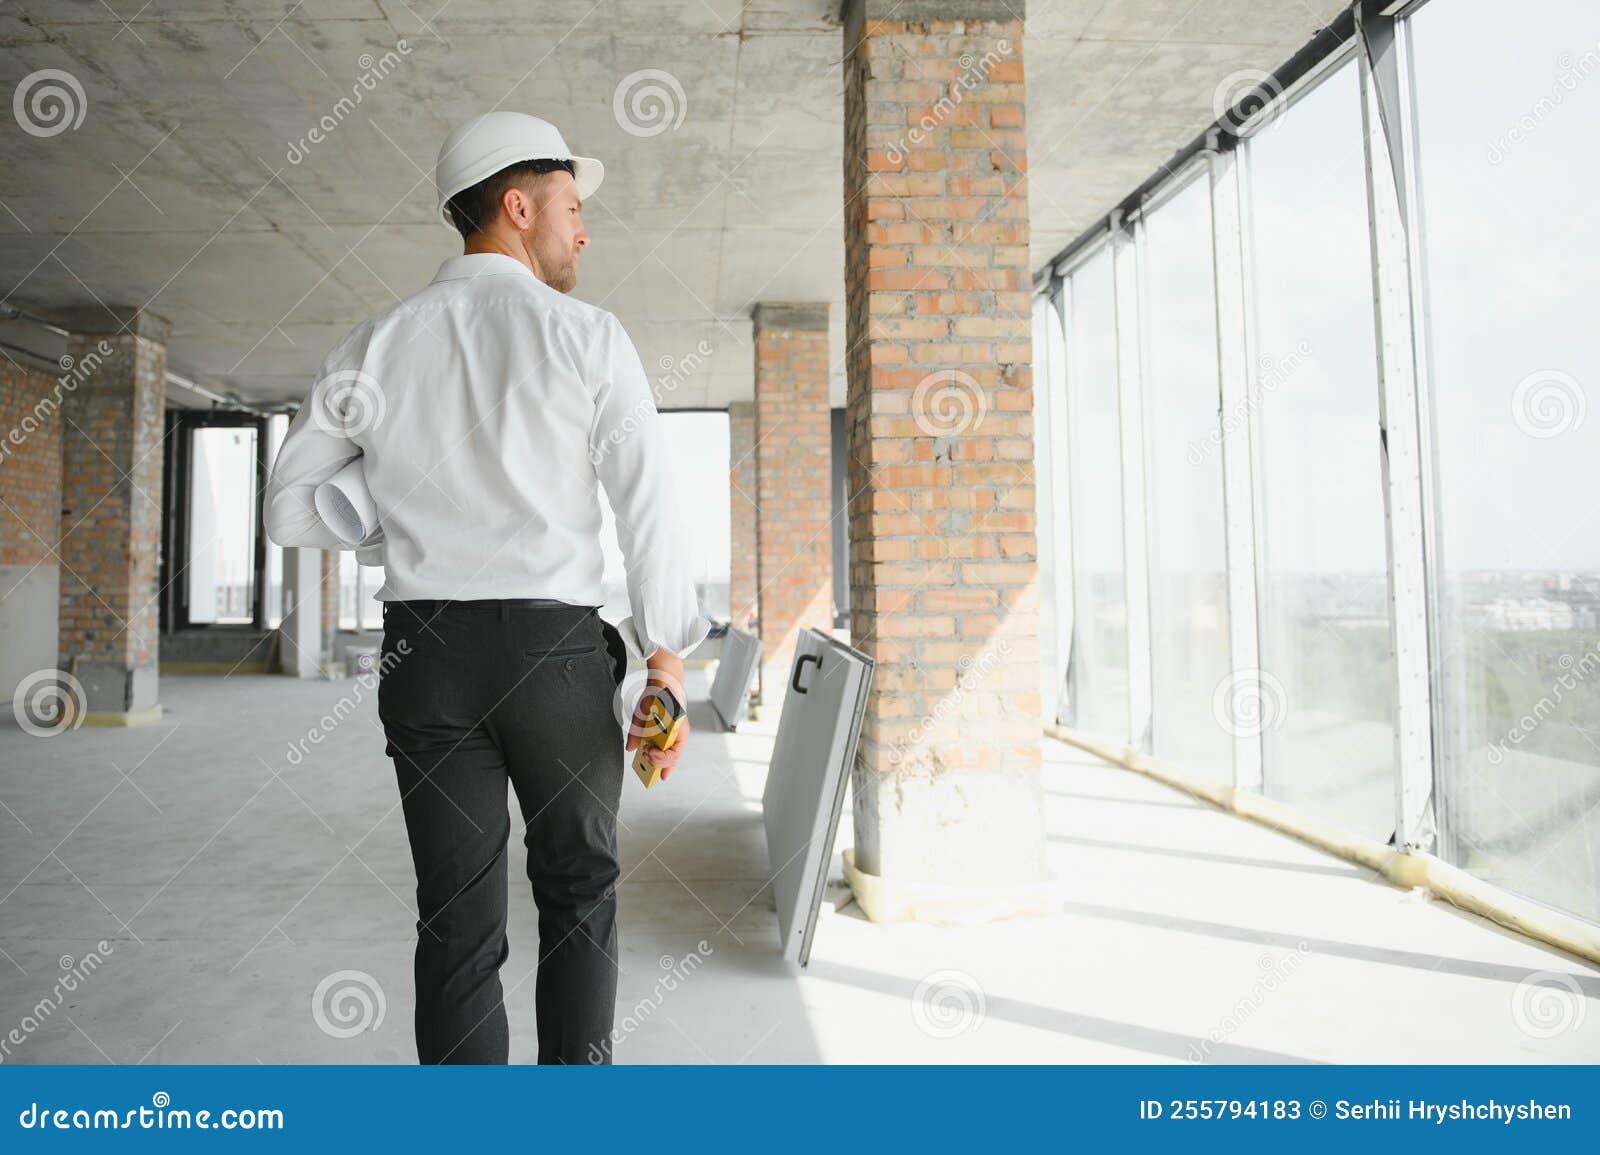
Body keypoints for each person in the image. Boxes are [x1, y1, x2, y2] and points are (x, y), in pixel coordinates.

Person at [264, 111, 709, 1065]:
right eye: (571, 207)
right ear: (518, 206)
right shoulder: (587, 336)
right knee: (578, 894)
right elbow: (650, 509)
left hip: (425, 658)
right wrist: (667, 656)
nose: (582, 231)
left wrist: (404, 506)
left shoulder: (373, 345)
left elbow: (293, 514)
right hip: (554, 660)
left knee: (455, 921)